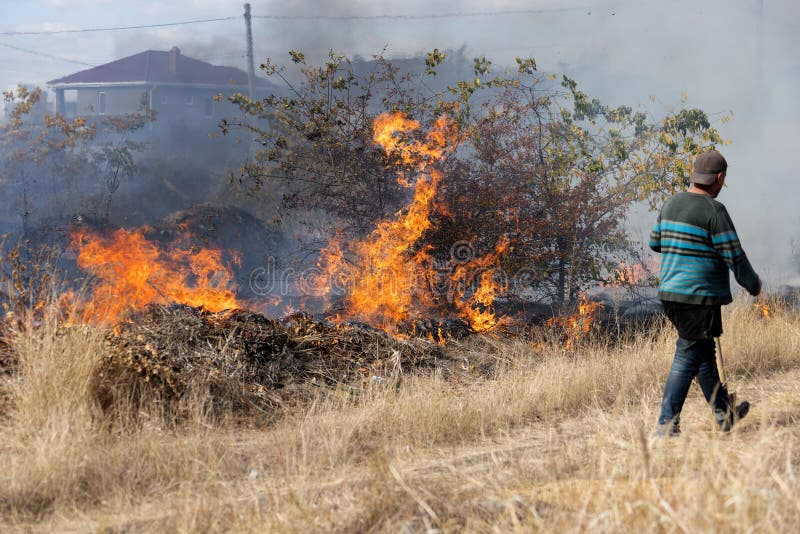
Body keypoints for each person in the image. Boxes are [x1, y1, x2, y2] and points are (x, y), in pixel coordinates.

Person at [649, 149, 761, 436]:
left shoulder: (671, 203)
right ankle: (666, 424)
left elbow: (655, 242)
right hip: (698, 297)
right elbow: (734, 255)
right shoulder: (714, 211)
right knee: (688, 354)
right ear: (719, 177)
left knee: (703, 353)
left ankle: (725, 417)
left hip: (670, 294)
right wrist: (753, 283)